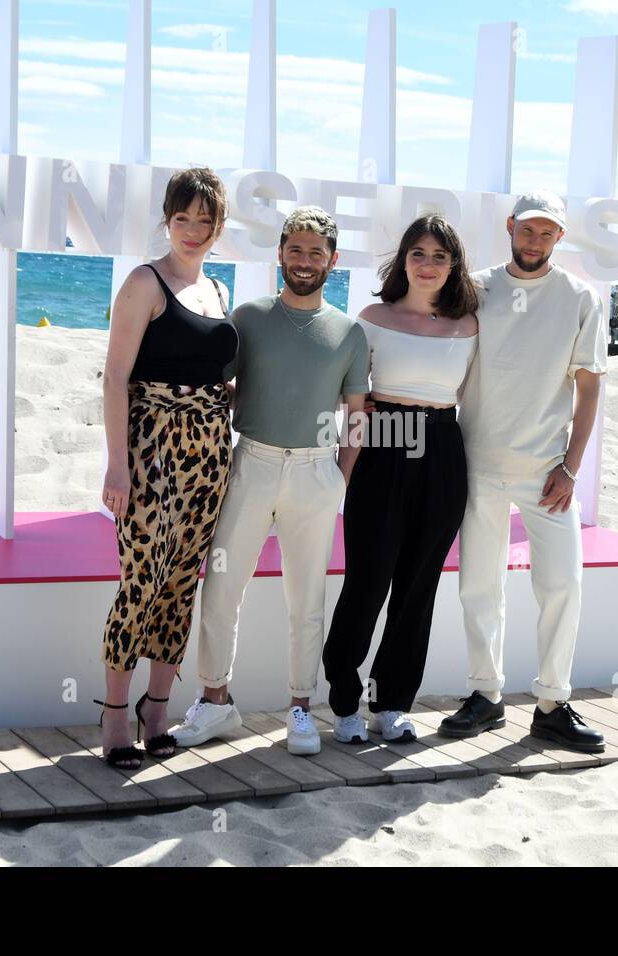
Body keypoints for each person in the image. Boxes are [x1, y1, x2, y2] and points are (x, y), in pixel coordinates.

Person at [170, 206, 369, 756]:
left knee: (306, 598)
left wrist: (339, 479)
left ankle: (301, 708)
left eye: (316, 252)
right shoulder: (249, 317)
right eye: (296, 249)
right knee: (222, 586)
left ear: (333, 261)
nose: (305, 262)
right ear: (279, 253)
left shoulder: (349, 332)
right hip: (250, 465)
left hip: (315, 474)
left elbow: (357, 414)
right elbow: (217, 387)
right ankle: (215, 701)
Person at [437, 189, 609, 752]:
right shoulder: (478, 288)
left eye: (547, 232)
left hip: (545, 471)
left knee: (563, 585)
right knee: (479, 587)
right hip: (477, 461)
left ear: (560, 237)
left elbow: (588, 388)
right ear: (510, 227)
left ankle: (553, 703)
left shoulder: (580, 298)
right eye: (527, 229)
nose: (535, 240)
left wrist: (571, 466)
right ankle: (485, 696)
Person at [95, 167, 238, 768]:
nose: (194, 231)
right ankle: (113, 717)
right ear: (168, 219)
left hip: (209, 454)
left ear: (218, 226)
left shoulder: (217, 291)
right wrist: (118, 465)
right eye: (184, 218)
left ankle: (159, 710)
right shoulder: (144, 282)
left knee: (181, 582)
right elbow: (115, 377)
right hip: (152, 451)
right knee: (141, 581)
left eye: (206, 221)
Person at [321, 215, 478, 744]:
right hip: (385, 440)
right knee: (367, 581)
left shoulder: (471, 324)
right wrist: (344, 471)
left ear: (453, 264)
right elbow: (355, 404)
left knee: (418, 587)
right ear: (402, 260)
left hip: (443, 447)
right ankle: (344, 702)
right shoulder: (371, 317)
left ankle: (391, 704)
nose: (428, 264)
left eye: (439, 255)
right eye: (418, 252)